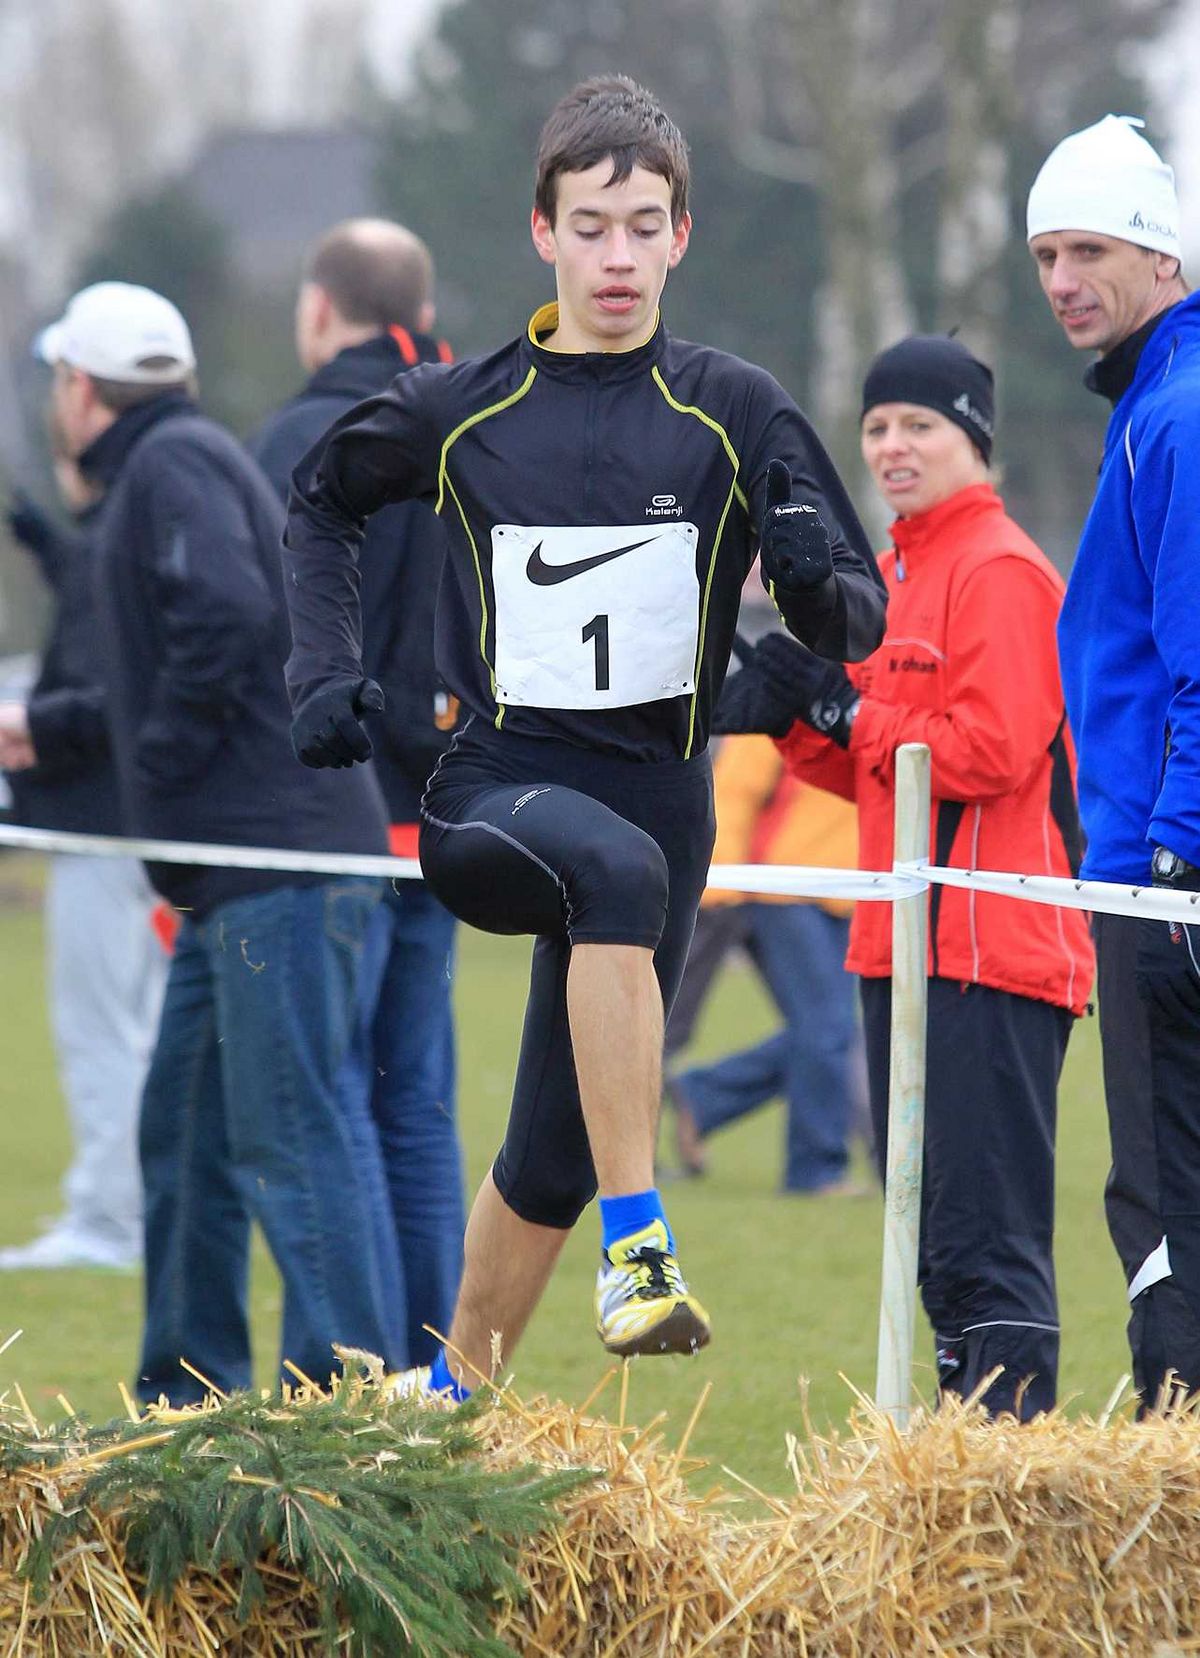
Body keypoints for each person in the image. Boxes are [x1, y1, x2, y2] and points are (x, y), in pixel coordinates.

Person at [282, 74, 887, 1396]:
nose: (619, 254)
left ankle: (450, 1399)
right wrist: (322, 667)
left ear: (685, 235)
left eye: (645, 223)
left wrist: (804, 575)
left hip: (666, 809)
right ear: (542, 232)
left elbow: (854, 620)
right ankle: (644, 1243)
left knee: (546, 1151)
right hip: (492, 793)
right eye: (592, 223)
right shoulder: (466, 406)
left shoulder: (736, 408)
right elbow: (320, 496)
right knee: (606, 874)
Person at [32, 278, 404, 1403]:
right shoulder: (170, 462)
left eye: (58, 378)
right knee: (185, 1138)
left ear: (82, 389)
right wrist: (50, 731)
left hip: (273, 874)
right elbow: (177, 659)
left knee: (286, 1137)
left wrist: (163, 762)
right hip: (240, 881)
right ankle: (185, 1400)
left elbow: (228, 619)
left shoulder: (170, 464)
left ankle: (346, 1414)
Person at [719, 333, 1095, 1418]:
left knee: (987, 1251)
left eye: (919, 424)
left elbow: (986, 751)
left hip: (993, 951)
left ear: (974, 438)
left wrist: (846, 706)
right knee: (934, 1251)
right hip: (903, 945)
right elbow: (884, 772)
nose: (891, 444)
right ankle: (958, 1500)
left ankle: (1006, 1495)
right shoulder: (893, 574)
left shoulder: (1003, 570)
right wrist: (797, 723)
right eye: (878, 425)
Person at [248, 217, 465, 1369]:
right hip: (441, 811)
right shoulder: (471, 427)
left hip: (326, 818)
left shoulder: (292, 433)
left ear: (320, 309)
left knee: (324, 1107)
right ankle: (440, 1373)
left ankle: (344, 1377)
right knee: (417, 1108)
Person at [1027, 115, 1200, 1403]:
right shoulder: (1158, 403)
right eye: (1044, 254)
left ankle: (1175, 1471)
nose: (1063, 280)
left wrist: (1175, 857)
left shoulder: (1178, 417)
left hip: (1163, 875)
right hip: (1149, 863)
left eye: (1089, 247)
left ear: (1162, 255)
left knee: (1161, 1209)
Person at [0, 456, 166, 1271]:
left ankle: (110, 1220)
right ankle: (130, 1211)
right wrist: (38, 536)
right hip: (139, 825)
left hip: (102, 825)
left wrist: (33, 722)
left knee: (101, 1028)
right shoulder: (127, 535)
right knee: (131, 1026)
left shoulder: (127, 531)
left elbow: (111, 684)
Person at [667, 729, 868, 1196]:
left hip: (846, 893)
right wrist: (719, 884)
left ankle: (703, 1096)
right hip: (784, 888)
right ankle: (816, 1172)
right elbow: (735, 790)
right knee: (827, 1032)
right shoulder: (796, 702)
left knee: (827, 1034)